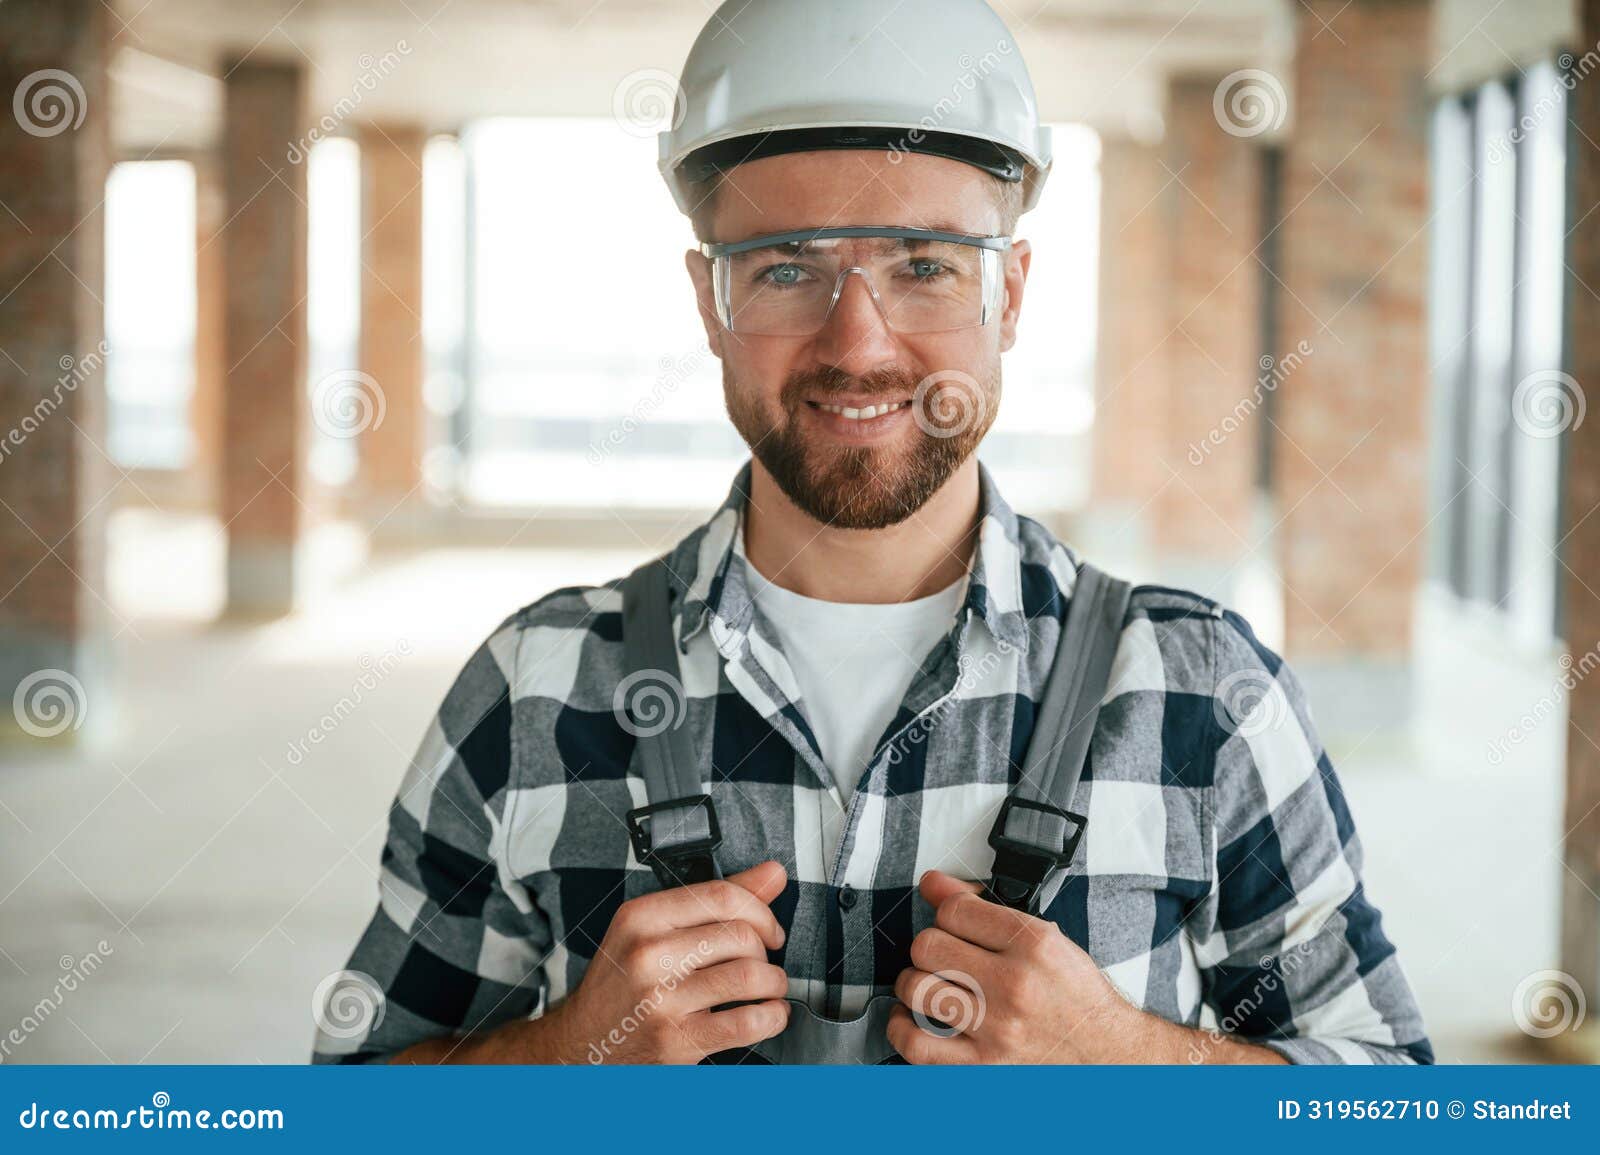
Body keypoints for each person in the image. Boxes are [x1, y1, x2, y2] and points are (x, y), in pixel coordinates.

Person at [313, 0, 1430, 1065]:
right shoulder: (534, 691)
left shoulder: (1204, 695)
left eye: (925, 266)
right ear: (709, 304)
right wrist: (564, 1063)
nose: (858, 345)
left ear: (1012, 294)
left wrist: (1131, 1065)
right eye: (786, 267)